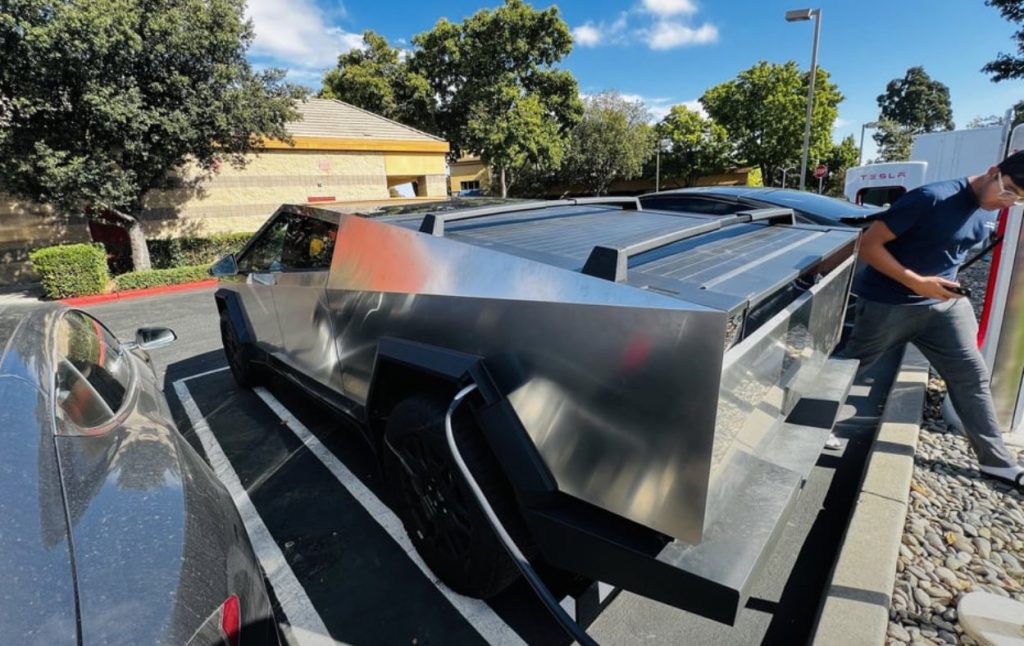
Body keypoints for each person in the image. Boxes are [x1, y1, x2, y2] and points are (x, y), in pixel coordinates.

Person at [838, 151, 1024, 488]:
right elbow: (867, 245)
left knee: (971, 377)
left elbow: (947, 252)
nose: (1008, 201)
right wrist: (916, 281)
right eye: (1008, 190)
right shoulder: (931, 197)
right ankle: (815, 424)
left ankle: (997, 462)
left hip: (946, 308)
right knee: (851, 366)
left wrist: (941, 284)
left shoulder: (985, 212)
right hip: (890, 303)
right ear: (993, 170)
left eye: (1018, 200)